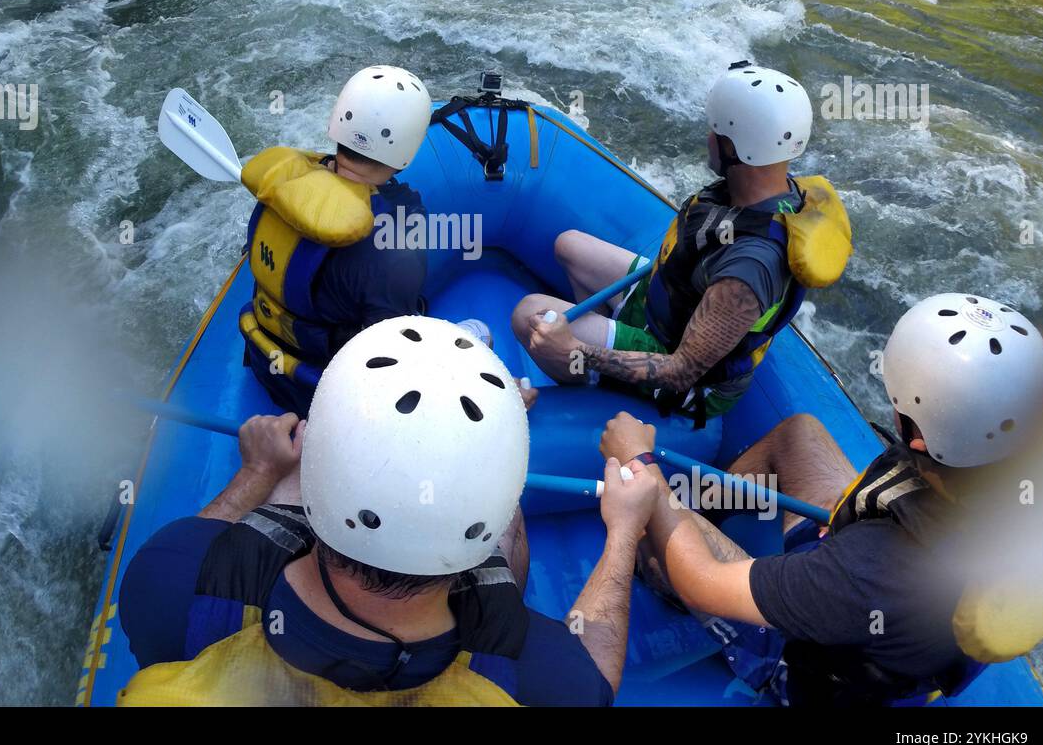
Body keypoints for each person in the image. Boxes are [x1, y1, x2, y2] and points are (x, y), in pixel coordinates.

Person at [116, 315, 653, 706]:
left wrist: (259, 470)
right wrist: (624, 529)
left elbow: (203, 540)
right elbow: (595, 672)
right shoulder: (536, 680)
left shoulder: (166, 584)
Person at [596, 292, 1043, 706]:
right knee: (800, 436)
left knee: (654, 509)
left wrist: (640, 462)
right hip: (873, 601)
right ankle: (700, 522)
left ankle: (656, 568)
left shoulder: (875, 567)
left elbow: (704, 582)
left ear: (919, 432)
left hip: (811, 664)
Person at [513, 61, 851, 426]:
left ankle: (592, 381)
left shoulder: (747, 273)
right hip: (672, 309)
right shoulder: (766, 186)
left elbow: (680, 371)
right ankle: (607, 342)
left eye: (715, 132)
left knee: (528, 314)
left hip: (678, 369)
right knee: (569, 245)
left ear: (737, 148)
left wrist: (577, 351)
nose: (708, 138)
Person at [238, 65, 436, 416]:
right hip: (319, 394)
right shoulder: (394, 250)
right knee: (478, 333)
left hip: (263, 358)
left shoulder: (282, 186)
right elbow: (387, 359)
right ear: (408, 149)